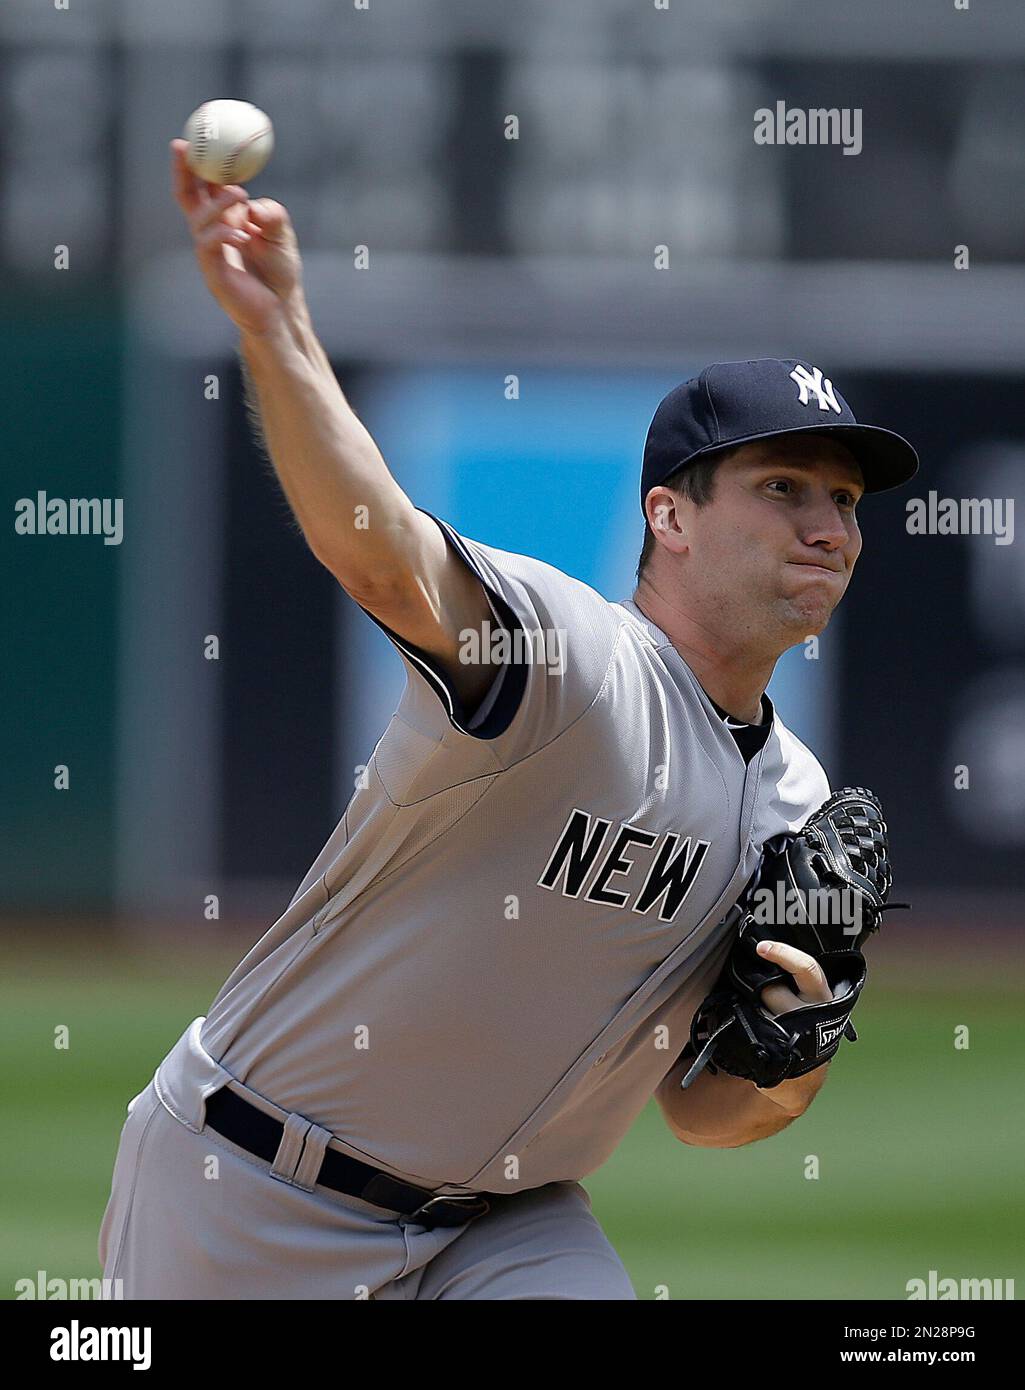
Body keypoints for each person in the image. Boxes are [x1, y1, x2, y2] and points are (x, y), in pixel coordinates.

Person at [95, 144, 918, 1301]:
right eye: (782, 487)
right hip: (252, 1187)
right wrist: (276, 327)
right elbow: (383, 559)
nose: (826, 526)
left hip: (508, 1230)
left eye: (841, 501)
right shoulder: (570, 659)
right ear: (666, 516)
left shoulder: (796, 798)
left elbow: (709, 1116)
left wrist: (800, 1037)